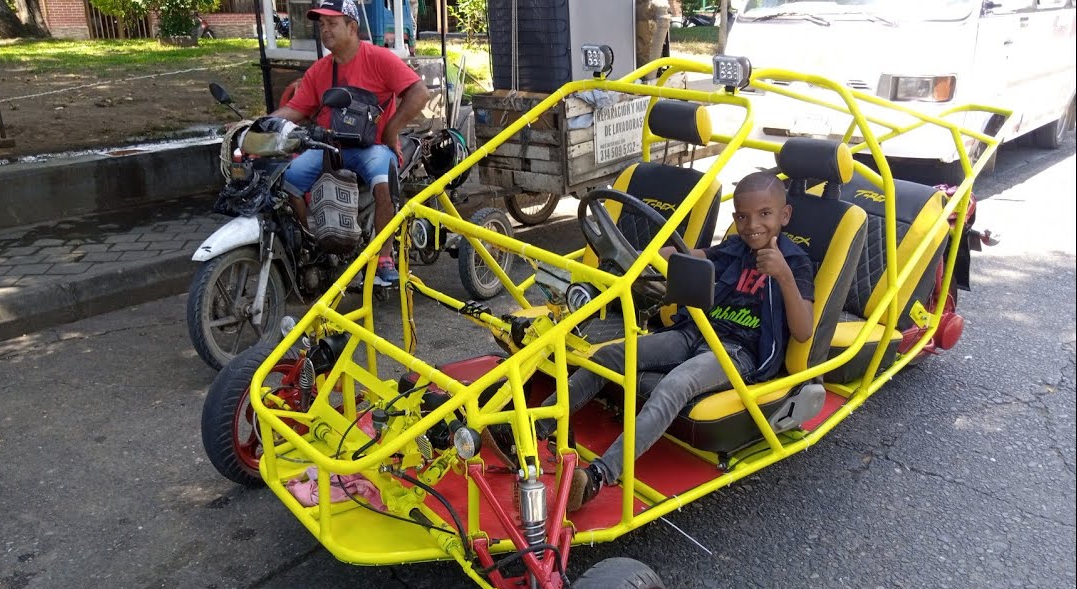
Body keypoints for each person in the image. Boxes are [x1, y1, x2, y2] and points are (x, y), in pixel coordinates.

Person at [493, 172, 815, 512]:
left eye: (765, 214)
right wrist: (645, 257)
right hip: (695, 331)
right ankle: (531, 429)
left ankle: (600, 475)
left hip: (737, 352)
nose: (753, 225)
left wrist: (783, 275)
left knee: (675, 384)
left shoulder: (795, 262)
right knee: (609, 356)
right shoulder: (735, 248)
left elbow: (803, 330)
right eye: (743, 217)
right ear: (735, 218)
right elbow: (690, 256)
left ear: (784, 216)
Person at [269, 0, 431, 286]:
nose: (325, 30)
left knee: (384, 183)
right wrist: (260, 123)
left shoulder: (379, 58)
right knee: (288, 180)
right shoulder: (319, 70)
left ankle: (384, 256)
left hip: (372, 148)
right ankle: (313, 245)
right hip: (331, 148)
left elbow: (419, 92)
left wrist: (391, 131)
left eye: (332, 24)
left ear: (352, 27)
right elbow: (295, 109)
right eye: (322, 25)